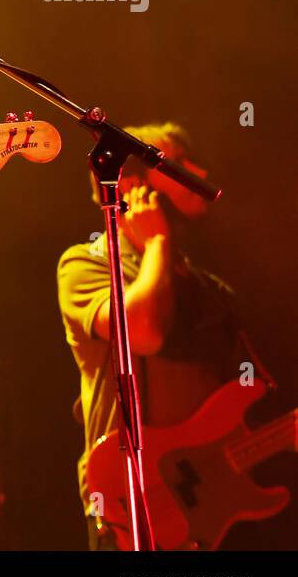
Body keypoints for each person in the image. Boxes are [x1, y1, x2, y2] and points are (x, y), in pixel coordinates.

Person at [56, 122, 252, 549]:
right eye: (176, 163)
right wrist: (158, 241)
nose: (196, 170)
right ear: (130, 185)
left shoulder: (206, 286)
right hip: (131, 505)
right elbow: (141, 333)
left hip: (211, 502)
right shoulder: (84, 265)